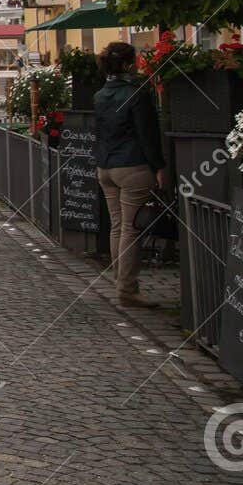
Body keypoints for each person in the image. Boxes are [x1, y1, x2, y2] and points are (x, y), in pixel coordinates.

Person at [93, 42, 166, 307]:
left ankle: (121, 282)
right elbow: (148, 135)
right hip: (133, 166)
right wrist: (159, 166)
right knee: (131, 229)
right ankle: (127, 289)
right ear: (127, 64)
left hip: (106, 167)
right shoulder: (137, 93)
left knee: (118, 226)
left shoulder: (100, 94)